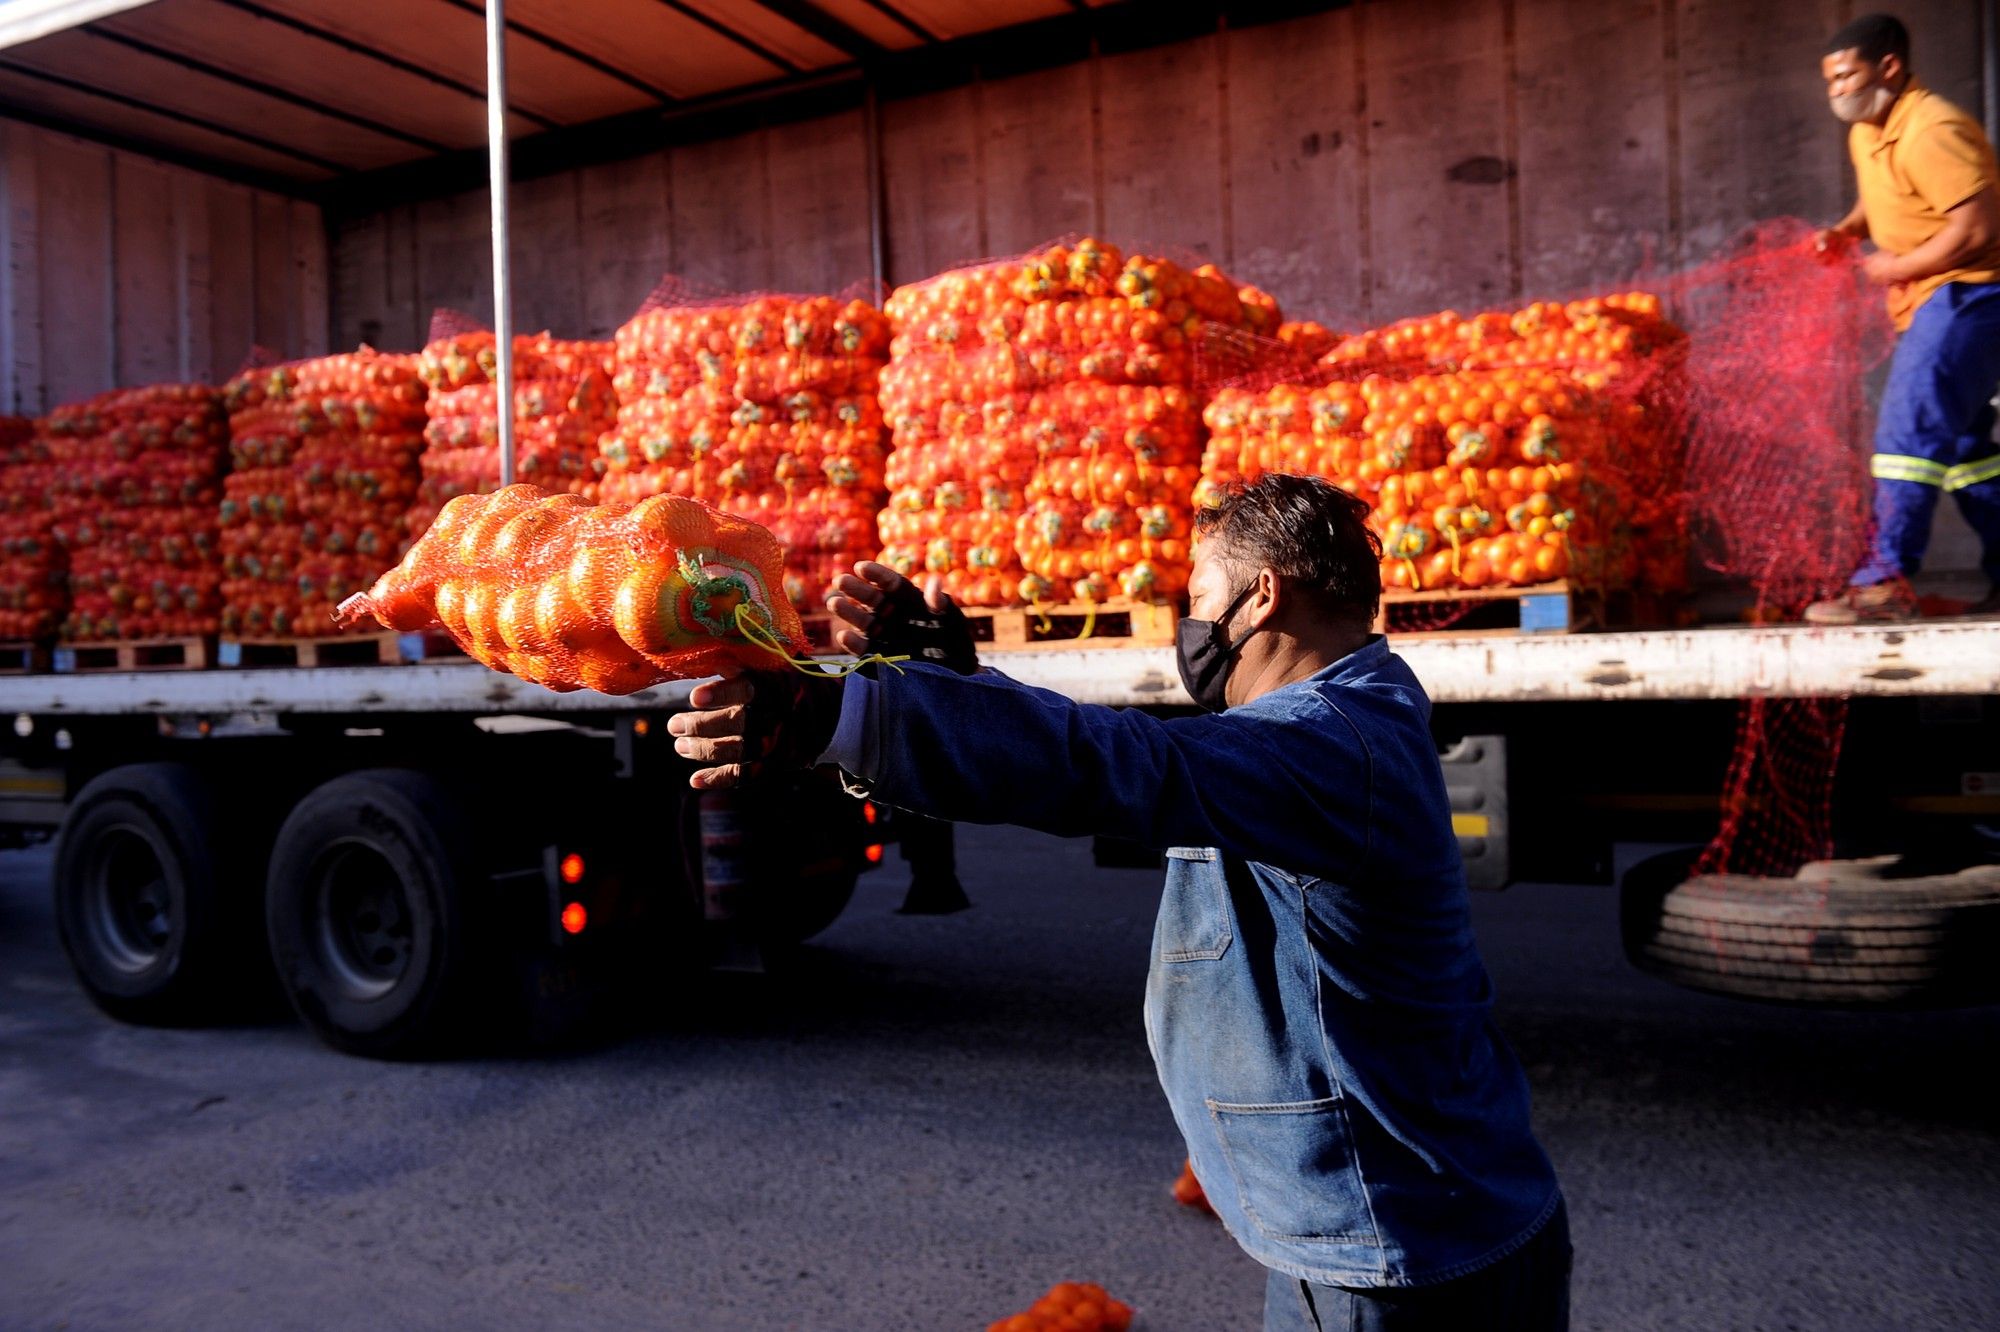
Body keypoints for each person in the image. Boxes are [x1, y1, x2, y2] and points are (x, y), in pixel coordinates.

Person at [671, 475, 1570, 1330]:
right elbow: (1125, 764)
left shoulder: (1331, 744)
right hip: (1395, 1233)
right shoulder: (1328, 727)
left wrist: (849, 717)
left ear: (1260, 598)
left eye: (1198, 595)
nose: (1188, 624)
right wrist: (948, 682)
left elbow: (1117, 766)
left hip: (1394, 1262)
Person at [1807, 13, 2000, 624]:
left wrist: (1893, 268)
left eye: (1846, 76)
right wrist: (1847, 231)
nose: (1837, 91)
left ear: (1889, 67)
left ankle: (1882, 584)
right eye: (1830, 80)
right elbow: (1884, 193)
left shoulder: (1933, 129)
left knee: (1905, 436)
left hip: (1968, 294)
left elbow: (1978, 230)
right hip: (1928, 299)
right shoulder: (1870, 129)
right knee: (1970, 454)